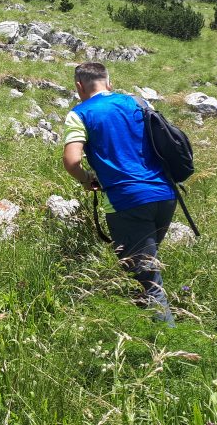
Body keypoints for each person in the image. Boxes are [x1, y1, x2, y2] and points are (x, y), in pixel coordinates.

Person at [62, 62, 178, 326]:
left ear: (79, 86)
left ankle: (168, 349)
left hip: (128, 202)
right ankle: (141, 325)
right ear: (109, 83)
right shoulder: (138, 103)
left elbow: (71, 160)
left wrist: (87, 180)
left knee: (147, 280)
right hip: (164, 194)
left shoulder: (80, 113)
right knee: (143, 267)